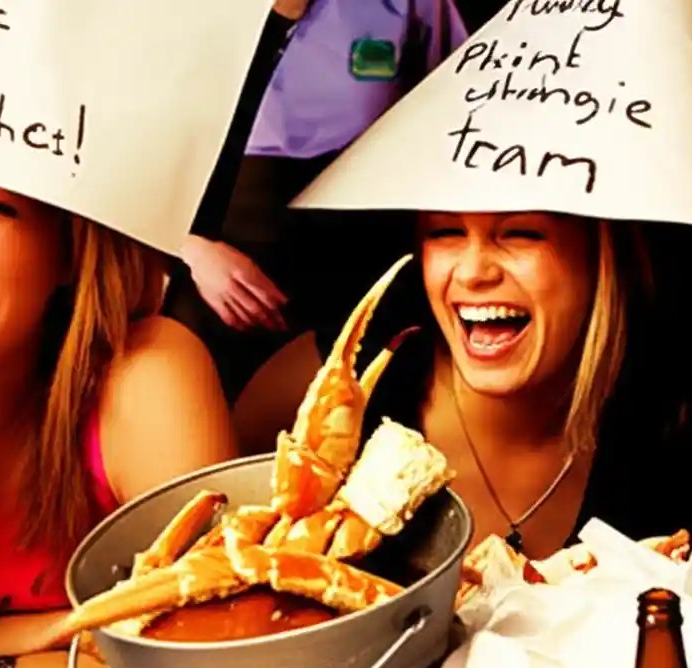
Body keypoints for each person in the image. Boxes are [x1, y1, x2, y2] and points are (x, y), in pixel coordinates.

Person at [0, 167, 238, 668]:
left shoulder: (144, 374)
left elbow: (219, 656)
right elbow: (158, 664)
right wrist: (79, 629)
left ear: (70, 248)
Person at [352, 211, 692, 559]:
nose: (473, 272)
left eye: (521, 234)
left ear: (602, 255)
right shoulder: (349, 391)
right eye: (445, 232)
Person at [167, 0, 469, 403]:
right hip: (217, 269)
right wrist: (188, 247)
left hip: (363, 266)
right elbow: (114, 145)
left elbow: (462, 111)